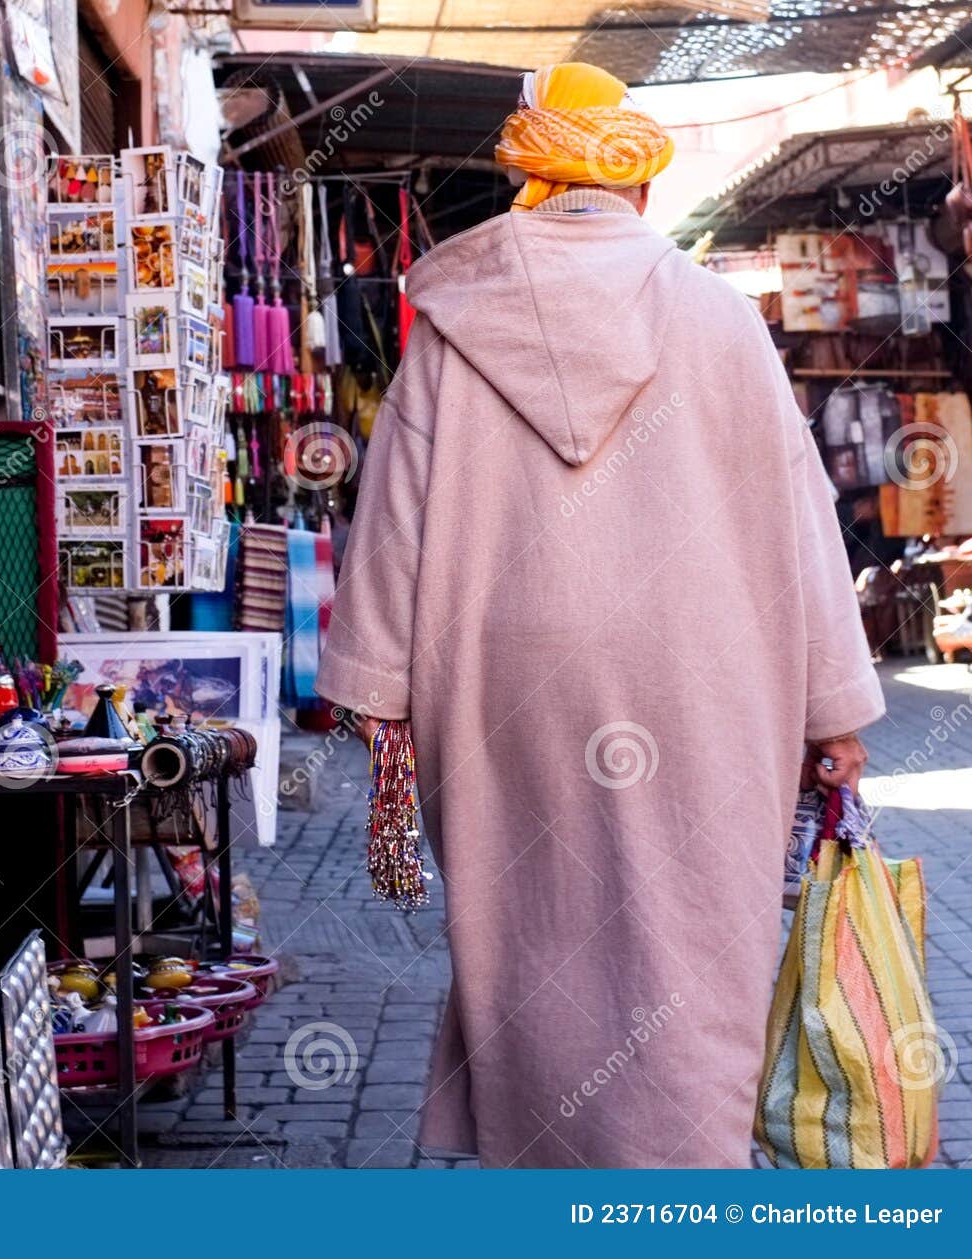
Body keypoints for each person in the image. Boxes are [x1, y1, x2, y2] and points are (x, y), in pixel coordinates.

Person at [316, 62, 883, 1169]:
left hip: (501, 686)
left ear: (529, 181)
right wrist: (835, 713)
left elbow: (391, 520)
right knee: (696, 938)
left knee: (531, 931)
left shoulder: (450, 325)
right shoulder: (721, 324)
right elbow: (803, 523)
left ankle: (550, 1169)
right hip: (705, 679)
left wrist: (376, 692)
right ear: (636, 189)